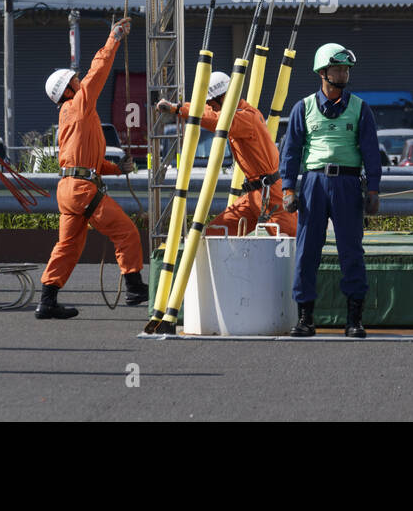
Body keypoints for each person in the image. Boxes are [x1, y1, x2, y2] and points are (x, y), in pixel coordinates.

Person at [37, 18, 147, 319]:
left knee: (68, 246)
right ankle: (135, 287)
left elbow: (91, 163)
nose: (80, 81)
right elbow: (98, 71)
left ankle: (47, 299)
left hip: (71, 189)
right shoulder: (79, 106)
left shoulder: (72, 116)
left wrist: (117, 169)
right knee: (126, 231)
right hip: (82, 190)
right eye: (76, 80)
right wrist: (114, 38)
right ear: (70, 88)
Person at [279, 43, 382, 338]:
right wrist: (288, 188)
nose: (344, 74)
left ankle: (354, 320)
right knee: (306, 251)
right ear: (322, 72)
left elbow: (371, 152)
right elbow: (291, 152)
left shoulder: (360, 108)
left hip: (348, 184)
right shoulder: (303, 108)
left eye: (346, 69)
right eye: (338, 69)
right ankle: (306, 319)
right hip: (313, 183)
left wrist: (373, 190)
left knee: (351, 250)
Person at [156, 72, 296, 238]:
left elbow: (217, 120)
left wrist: (179, 109)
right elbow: (208, 111)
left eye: (212, 103)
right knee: (215, 233)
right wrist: (176, 107)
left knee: (289, 245)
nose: (211, 107)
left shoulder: (245, 118)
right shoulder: (239, 111)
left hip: (271, 196)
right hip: (255, 194)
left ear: (225, 97)